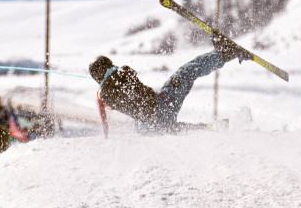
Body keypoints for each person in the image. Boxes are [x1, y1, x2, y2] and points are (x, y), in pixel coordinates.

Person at [89, 33, 250, 133]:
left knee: (181, 130)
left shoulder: (105, 95)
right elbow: (133, 82)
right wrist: (121, 71)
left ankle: (221, 128)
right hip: (163, 106)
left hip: (152, 127)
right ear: (107, 67)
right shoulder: (120, 76)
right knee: (186, 72)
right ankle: (223, 53)